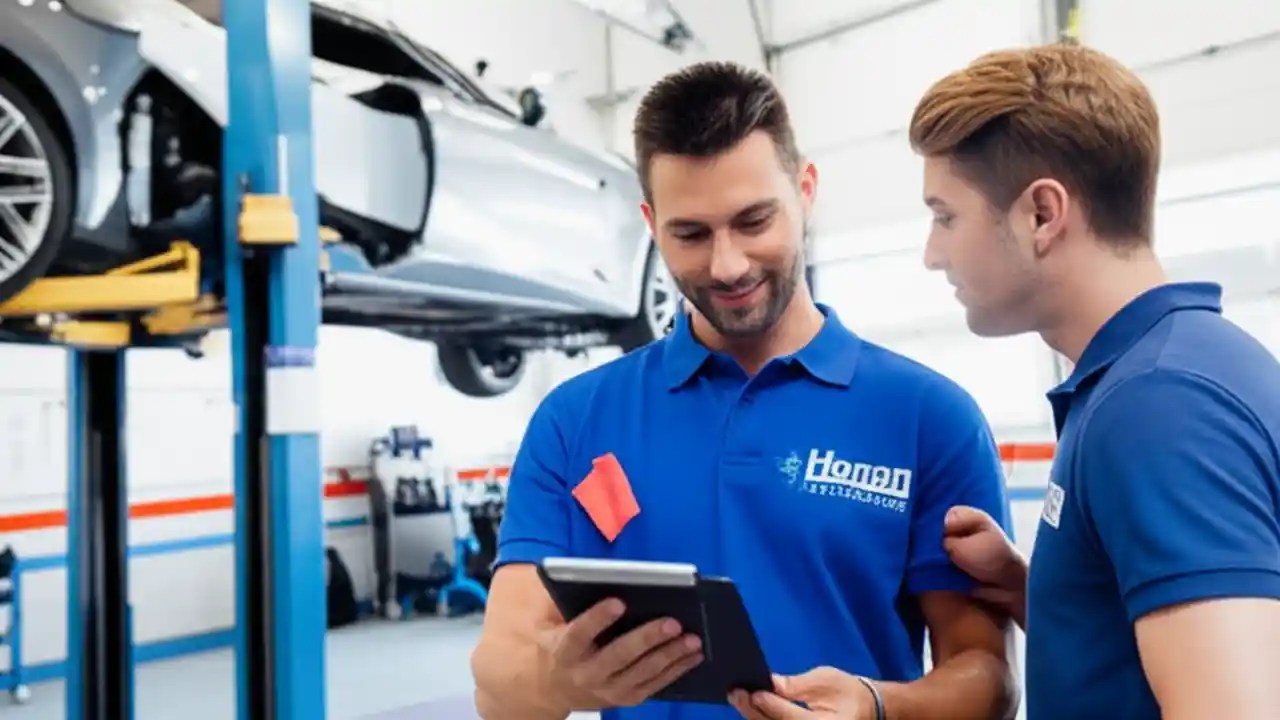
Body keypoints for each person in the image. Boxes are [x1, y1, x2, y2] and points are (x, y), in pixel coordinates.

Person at [470, 60, 1019, 720]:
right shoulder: (574, 420)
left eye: (754, 221)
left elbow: (989, 681)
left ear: (806, 190)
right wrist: (562, 680)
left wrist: (881, 708)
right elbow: (497, 686)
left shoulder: (929, 418)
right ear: (651, 224)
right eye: (691, 234)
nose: (727, 265)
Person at [908, 42, 1280, 720]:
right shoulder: (1171, 370)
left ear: (1042, 214)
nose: (933, 254)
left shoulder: (1159, 406)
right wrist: (1035, 589)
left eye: (945, 216)